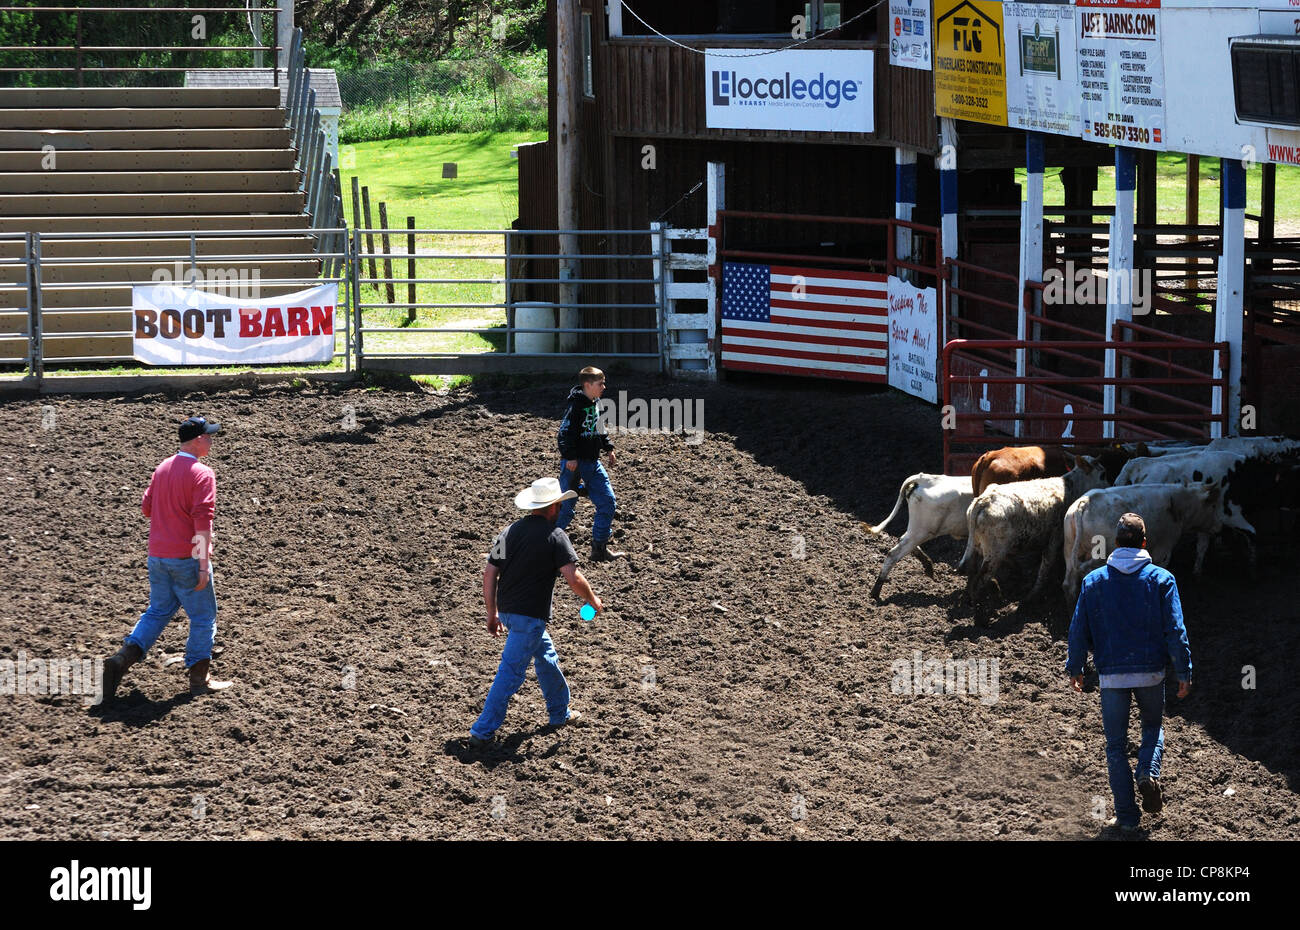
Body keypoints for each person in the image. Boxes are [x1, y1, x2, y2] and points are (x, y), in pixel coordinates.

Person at [1066, 512, 1193, 834]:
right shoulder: (1162, 579)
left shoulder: (1093, 581)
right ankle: (1147, 772)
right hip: (1151, 672)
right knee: (1152, 726)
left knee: (1115, 746)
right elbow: (1175, 630)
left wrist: (1076, 666)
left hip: (1111, 676)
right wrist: (1183, 670)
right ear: (1145, 543)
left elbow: (1078, 629)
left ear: (1116, 543)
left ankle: (1126, 817)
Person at [99, 416, 233, 703]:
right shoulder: (202, 473)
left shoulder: (162, 468)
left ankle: (122, 659)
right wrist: (201, 562)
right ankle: (199, 679)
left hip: (157, 556)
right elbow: (202, 520)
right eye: (208, 436)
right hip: (186, 557)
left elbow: (146, 509)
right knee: (203, 616)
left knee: (158, 611)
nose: (211, 440)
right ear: (197, 440)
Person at [470, 477, 603, 746]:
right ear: (554, 506)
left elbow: (489, 572)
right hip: (530, 617)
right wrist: (592, 599)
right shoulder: (556, 536)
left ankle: (559, 712)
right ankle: (481, 731)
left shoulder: (508, 532)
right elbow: (573, 577)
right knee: (510, 674)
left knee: (546, 658)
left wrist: (491, 612)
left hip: (509, 612)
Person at [556, 366, 623, 561]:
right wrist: (569, 457)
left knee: (608, 502)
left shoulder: (596, 403)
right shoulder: (576, 406)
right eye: (600, 383)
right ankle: (542, 546)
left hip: (592, 463)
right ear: (587, 385)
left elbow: (600, 427)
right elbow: (564, 433)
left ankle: (599, 548)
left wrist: (608, 447)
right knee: (565, 510)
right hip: (574, 464)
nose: (604, 386)